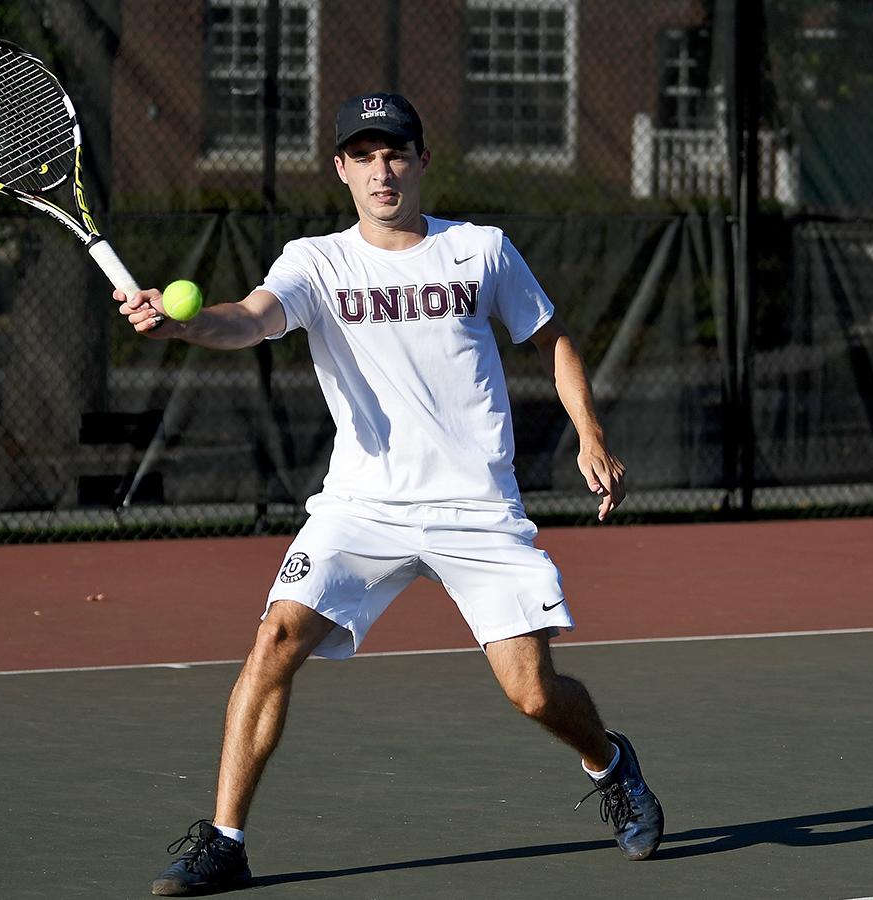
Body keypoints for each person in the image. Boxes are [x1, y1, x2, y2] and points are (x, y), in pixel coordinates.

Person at [117, 93, 663, 896]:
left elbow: (551, 337)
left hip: (476, 509)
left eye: (396, 153)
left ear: (422, 160)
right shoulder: (315, 263)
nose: (383, 170)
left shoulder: (481, 250)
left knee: (532, 691)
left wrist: (590, 433)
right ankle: (226, 841)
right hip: (361, 508)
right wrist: (182, 326)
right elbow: (249, 318)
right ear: (340, 168)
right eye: (365, 156)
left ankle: (610, 762)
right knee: (275, 640)